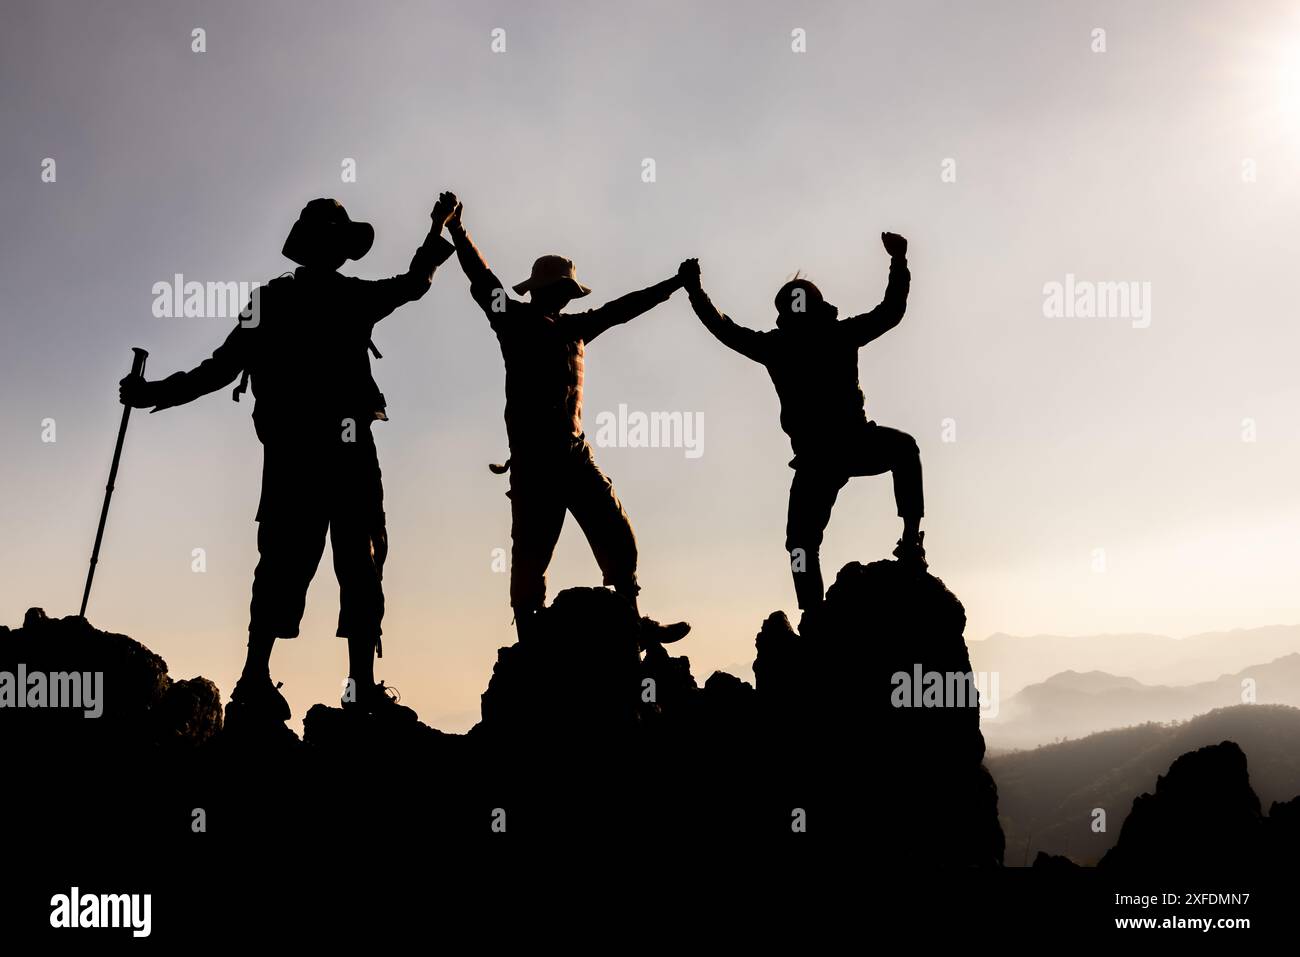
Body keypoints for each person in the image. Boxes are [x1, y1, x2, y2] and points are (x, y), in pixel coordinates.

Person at [118, 195, 460, 720]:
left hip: (301, 454)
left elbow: (219, 370)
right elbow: (414, 283)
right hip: (334, 452)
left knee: (310, 560)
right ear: (335, 249)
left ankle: (283, 680)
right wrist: (438, 229)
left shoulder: (281, 299)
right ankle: (333, 685)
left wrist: (154, 393)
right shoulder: (340, 298)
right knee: (338, 561)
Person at [437, 192, 691, 646]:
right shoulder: (512, 321)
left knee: (616, 532)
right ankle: (530, 641)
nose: (565, 298)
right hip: (535, 460)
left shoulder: (575, 330)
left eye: (567, 293)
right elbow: (482, 279)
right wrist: (456, 229)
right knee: (531, 554)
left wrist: (673, 284)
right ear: (544, 290)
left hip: (574, 453)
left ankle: (632, 623)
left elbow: (621, 310)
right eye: (561, 291)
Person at [680, 233, 923, 617]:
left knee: (800, 544)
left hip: (824, 456)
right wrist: (899, 261)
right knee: (902, 452)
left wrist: (695, 292)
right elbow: (890, 311)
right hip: (841, 449)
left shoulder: (781, 346)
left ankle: (818, 609)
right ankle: (905, 546)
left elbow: (723, 329)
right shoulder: (832, 336)